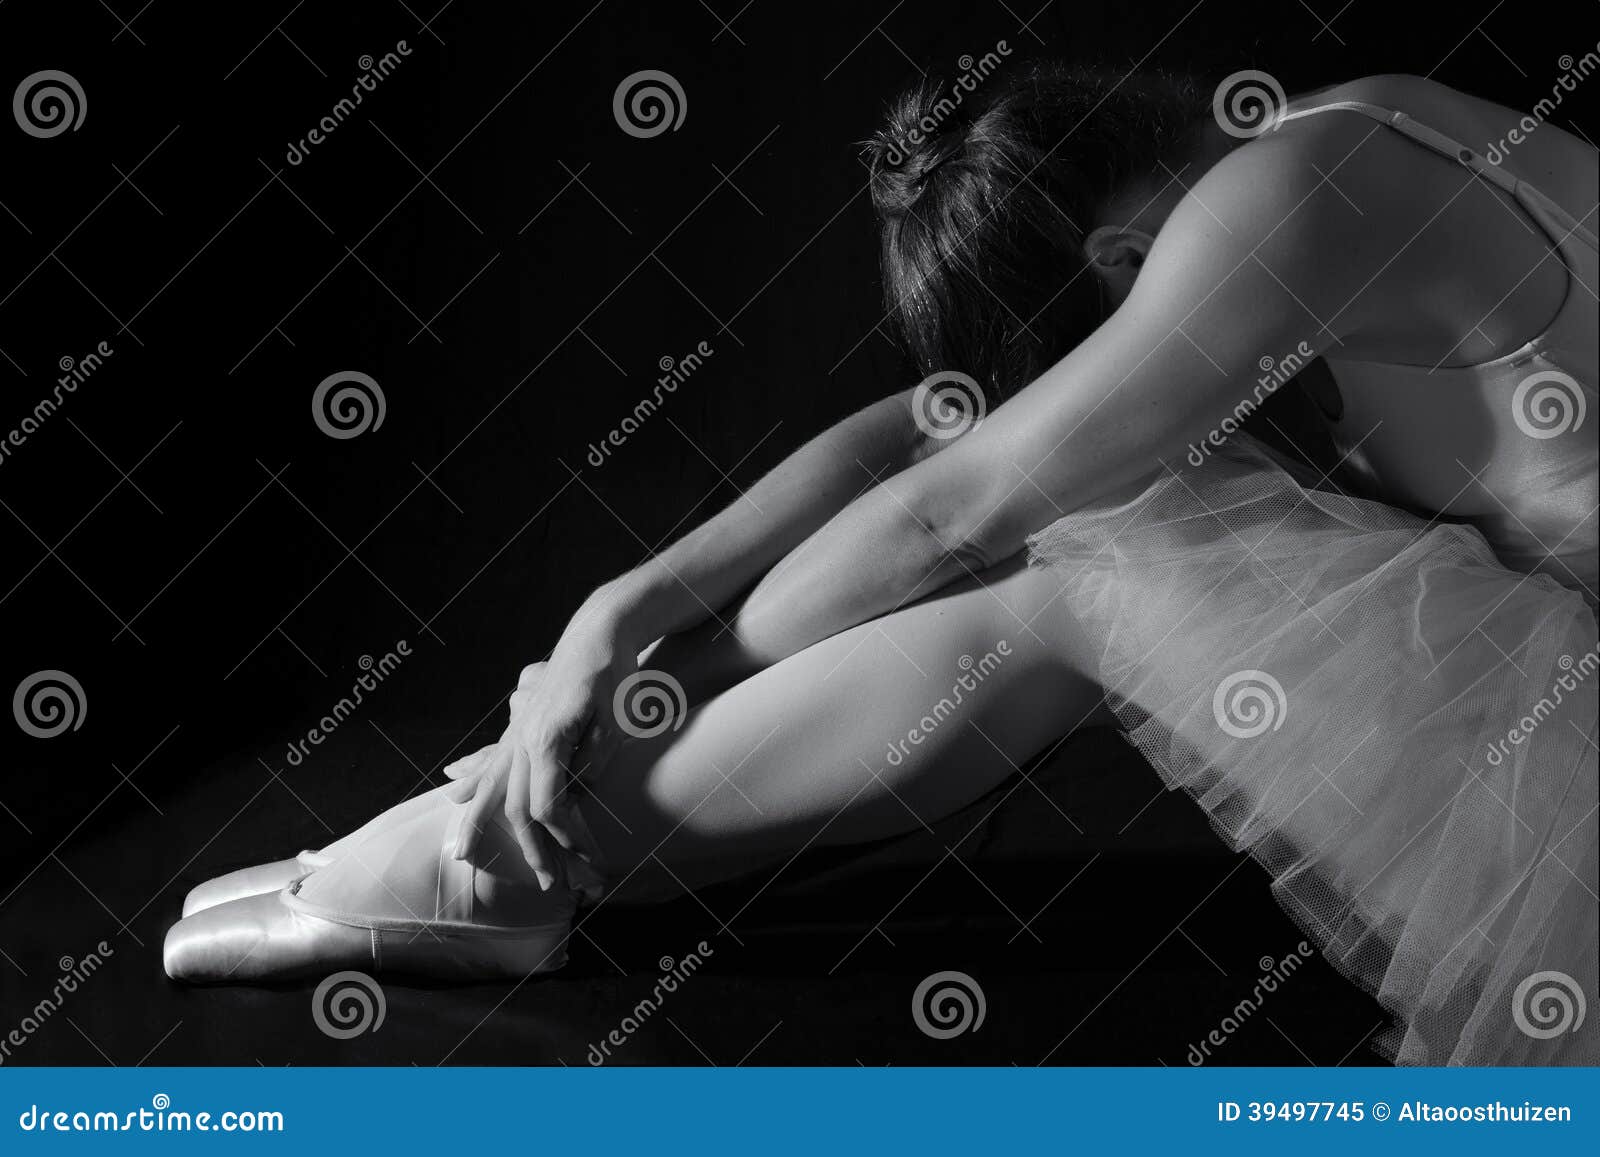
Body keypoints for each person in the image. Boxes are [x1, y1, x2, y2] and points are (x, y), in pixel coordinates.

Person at [165, 66, 1597, 1065]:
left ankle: (515, 854)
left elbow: (951, 508)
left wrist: (628, 701)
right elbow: (937, 429)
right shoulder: (1315, 132)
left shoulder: (1290, 195)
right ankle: (509, 846)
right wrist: (623, 611)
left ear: (1116, 253)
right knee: (1113, 514)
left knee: (1091, 572)